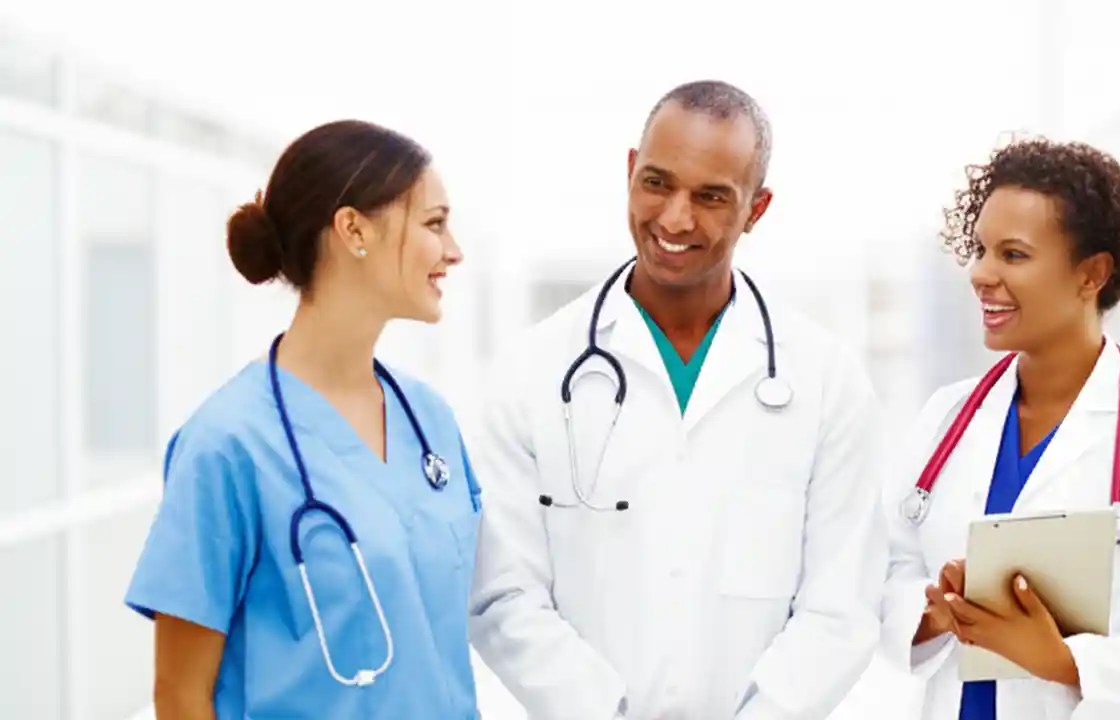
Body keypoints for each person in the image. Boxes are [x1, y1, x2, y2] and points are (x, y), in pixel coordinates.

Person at [467, 79, 886, 720]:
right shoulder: (534, 372)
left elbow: (842, 604)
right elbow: (505, 597)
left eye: (711, 197)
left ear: (756, 208)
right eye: (657, 183)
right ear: (630, 171)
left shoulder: (826, 380)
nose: (674, 218)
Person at [124, 120, 481, 719]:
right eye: (434, 223)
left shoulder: (430, 420)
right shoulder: (228, 445)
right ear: (354, 229)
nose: (453, 250)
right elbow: (181, 696)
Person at [880, 137, 1120, 719]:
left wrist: (1060, 659)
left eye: (1013, 255)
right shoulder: (947, 417)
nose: (981, 274)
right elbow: (891, 569)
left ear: (1092, 274)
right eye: (981, 249)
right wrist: (933, 612)